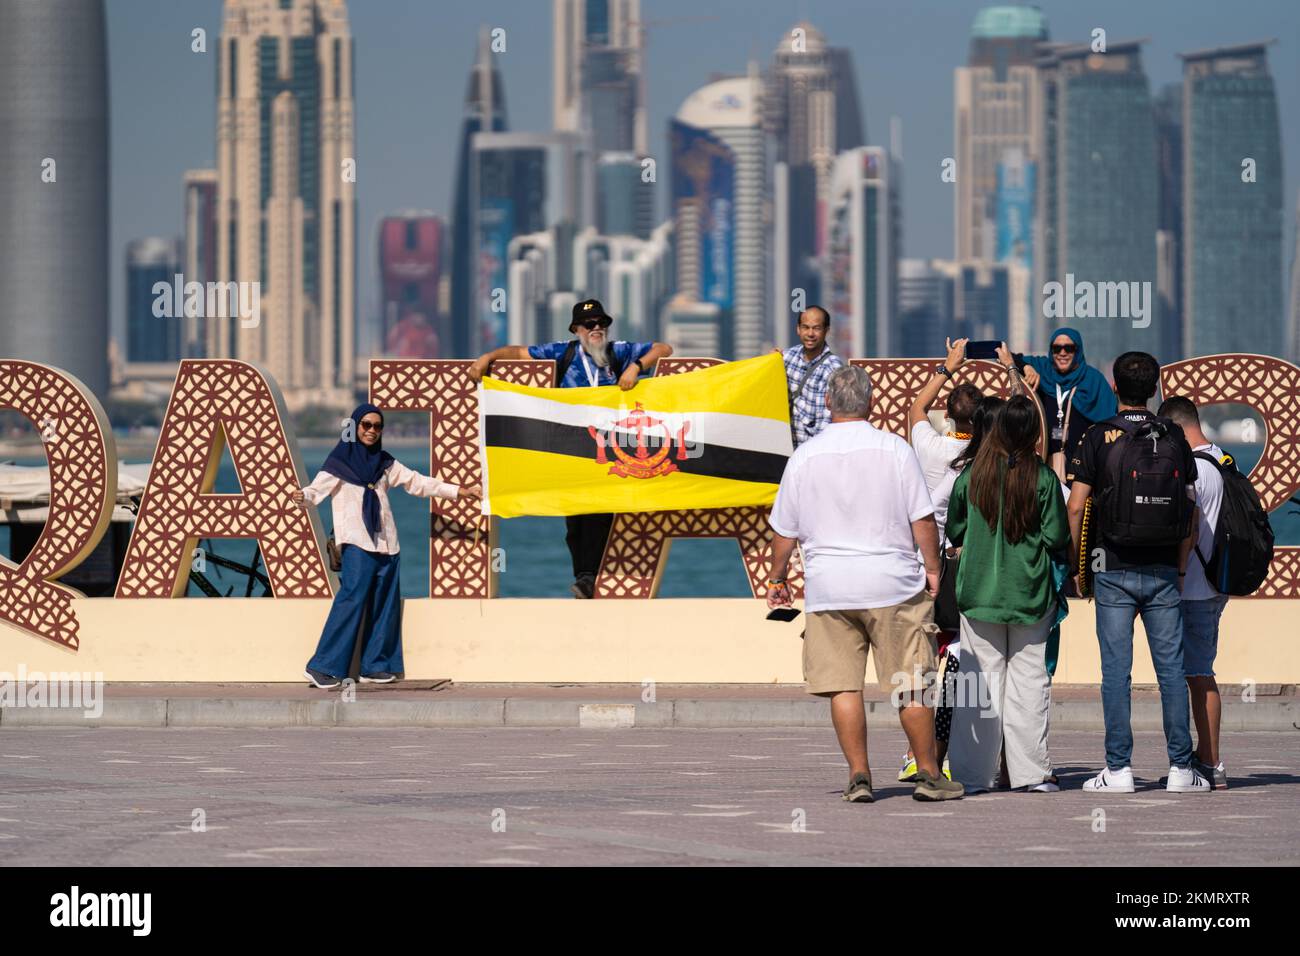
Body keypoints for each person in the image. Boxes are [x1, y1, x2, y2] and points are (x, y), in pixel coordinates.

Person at [766, 365, 964, 803]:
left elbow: (784, 532)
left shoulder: (804, 457)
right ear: (871, 403)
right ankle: (929, 774)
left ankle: (858, 776)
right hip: (893, 584)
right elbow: (922, 518)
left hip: (830, 588)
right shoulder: (894, 449)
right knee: (910, 683)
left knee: (843, 685)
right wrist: (933, 569)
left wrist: (777, 578)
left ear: (827, 403)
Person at [1066, 352, 1208, 793]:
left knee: (1116, 672)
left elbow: (1075, 507)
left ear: (1114, 386)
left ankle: (1119, 769)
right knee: (1171, 670)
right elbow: (1191, 511)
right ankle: (1182, 769)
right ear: (1155, 387)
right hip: (1165, 568)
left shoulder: (1098, 436)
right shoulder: (1175, 438)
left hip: (1111, 567)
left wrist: (1077, 566)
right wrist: (1182, 565)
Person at [468, 299, 673, 599]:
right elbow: (518, 353)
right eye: (589, 324)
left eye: (602, 323)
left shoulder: (619, 351)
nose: (597, 329)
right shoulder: (562, 352)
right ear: (576, 329)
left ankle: (591, 576)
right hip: (572, 446)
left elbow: (664, 348)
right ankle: (584, 575)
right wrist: (487, 357)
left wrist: (636, 367)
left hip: (610, 446)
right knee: (574, 516)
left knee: (601, 512)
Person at [294, 404, 481, 688]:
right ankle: (323, 666)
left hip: (387, 544)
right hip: (357, 543)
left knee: (384, 605)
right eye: (366, 425)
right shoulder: (339, 463)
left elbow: (417, 483)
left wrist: (461, 491)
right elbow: (314, 492)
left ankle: (374, 666)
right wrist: (301, 496)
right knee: (351, 600)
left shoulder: (385, 463)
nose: (371, 430)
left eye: (377, 426)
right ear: (354, 427)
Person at [945, 396, 1071, 793]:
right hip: (1030, 595)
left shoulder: (971, 476)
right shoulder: (1044, 479)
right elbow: (1056, 537)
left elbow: (954, 530)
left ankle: (972, 775)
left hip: (979, 593)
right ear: (1034, 433)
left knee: (979, 685)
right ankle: (1031, 774)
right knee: (1030, 683)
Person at [899, 337, 981, 781]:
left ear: (948, 415)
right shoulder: (984, 457)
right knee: (953, 668)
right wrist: (1015, 376)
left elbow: (914, 408)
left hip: (917, 565)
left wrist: (948, 367)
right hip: (958, 568)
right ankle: (941, 756)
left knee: (915, 666)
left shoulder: (930, 446)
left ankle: (914, 753)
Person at [1157, 395, 1230, 789]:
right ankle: (1203, 757)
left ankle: (1212, 763)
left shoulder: (1196, 471)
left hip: (1195, 587)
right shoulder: (1221, 459)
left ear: (1178, 428)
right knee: (1195, 672)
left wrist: (1179, 572)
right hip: (1215, 583)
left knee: (1199, 673)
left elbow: (1190, 528)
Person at [1013, 327, 1118, 466]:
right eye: (1057, 348)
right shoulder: (1042, 369)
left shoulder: (1093, 380)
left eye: (1069, 348)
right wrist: (1026, 367)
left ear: (1078, 350)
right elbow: (1006, 355)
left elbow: (1111, 424)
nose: (1062, 353)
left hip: (1082, 468)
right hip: (1043, 467)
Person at [781, 306, 844, 447]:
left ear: (826, 331)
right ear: (798, 329)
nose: (810, 333)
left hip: (810, 451)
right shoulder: (787, 357)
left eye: (816, 328)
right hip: (784, 449)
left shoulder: (833, 368)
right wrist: (770, 361)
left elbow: (826, 423)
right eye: (805, 327)